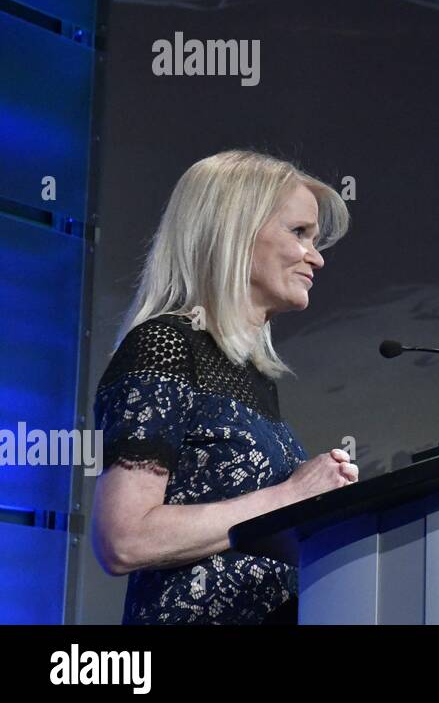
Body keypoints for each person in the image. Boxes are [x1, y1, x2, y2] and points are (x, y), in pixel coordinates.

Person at [90, 149, 359, 624]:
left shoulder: (250, 374)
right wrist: (290, 496)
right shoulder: (165, 346)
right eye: (299, 233)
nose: (316, 257)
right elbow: (123, 539)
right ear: (233, 230)